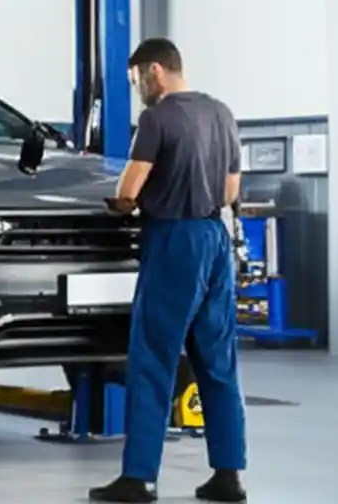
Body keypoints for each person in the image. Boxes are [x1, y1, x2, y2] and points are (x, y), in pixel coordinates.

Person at [89, 38, 248, 503]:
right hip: (215, 239)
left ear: (154, 70)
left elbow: (129, 189)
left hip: (173, 242)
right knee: (218, 365)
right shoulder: (221, 113)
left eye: (136, 78)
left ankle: (139, 478)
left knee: (153, 359)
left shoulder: (156, 119)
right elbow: (231, 188)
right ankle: (229, 475)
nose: (137, 88)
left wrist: (120, 204)